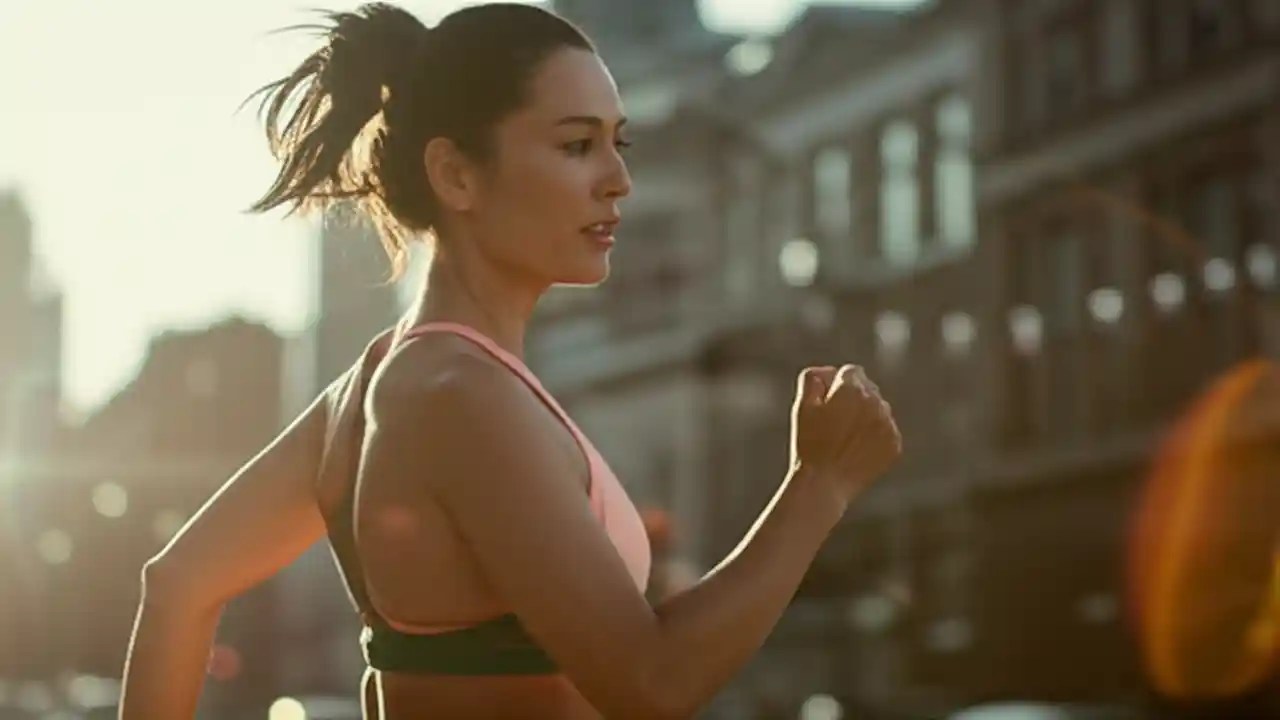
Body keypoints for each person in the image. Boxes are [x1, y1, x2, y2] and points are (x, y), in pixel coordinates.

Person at [116, 4, 903, 719]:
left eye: (617, 143)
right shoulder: (455, 394)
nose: (619, 180)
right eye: (576, 145)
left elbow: (178, 585)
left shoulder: (379, 390)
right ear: (456, 174)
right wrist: (818, 488)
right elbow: (651, 683)